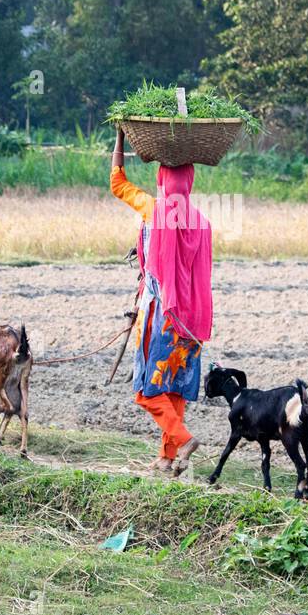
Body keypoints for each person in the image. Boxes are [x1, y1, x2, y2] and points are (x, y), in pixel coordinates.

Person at [110, 130, 213, 475]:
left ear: (161, 180)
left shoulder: (153, 209)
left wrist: (120, 139)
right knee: (175, 389)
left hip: (161, 315)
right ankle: (168, 459)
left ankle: (182, 440)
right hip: (192, 321)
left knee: (147, 389)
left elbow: (118, 183)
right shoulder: (202, 223)